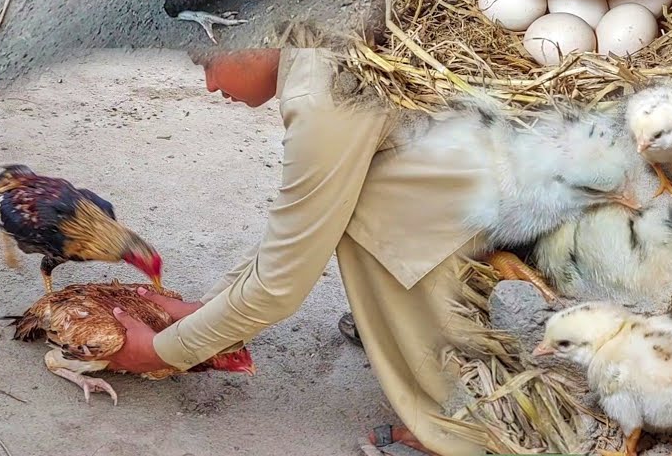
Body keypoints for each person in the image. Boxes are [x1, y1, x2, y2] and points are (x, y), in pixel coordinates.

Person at [106, 47, 488, 456]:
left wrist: (158, 353)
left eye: (209, 64)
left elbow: (280, 284)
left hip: (503, 211)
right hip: (502, 172)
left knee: (370, 203)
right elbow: (302, 223)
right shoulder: (318, 45)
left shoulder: (320, 95)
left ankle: (463, 425)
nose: (210, 85)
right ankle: (403, 328)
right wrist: (211, 307)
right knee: (347, 192)